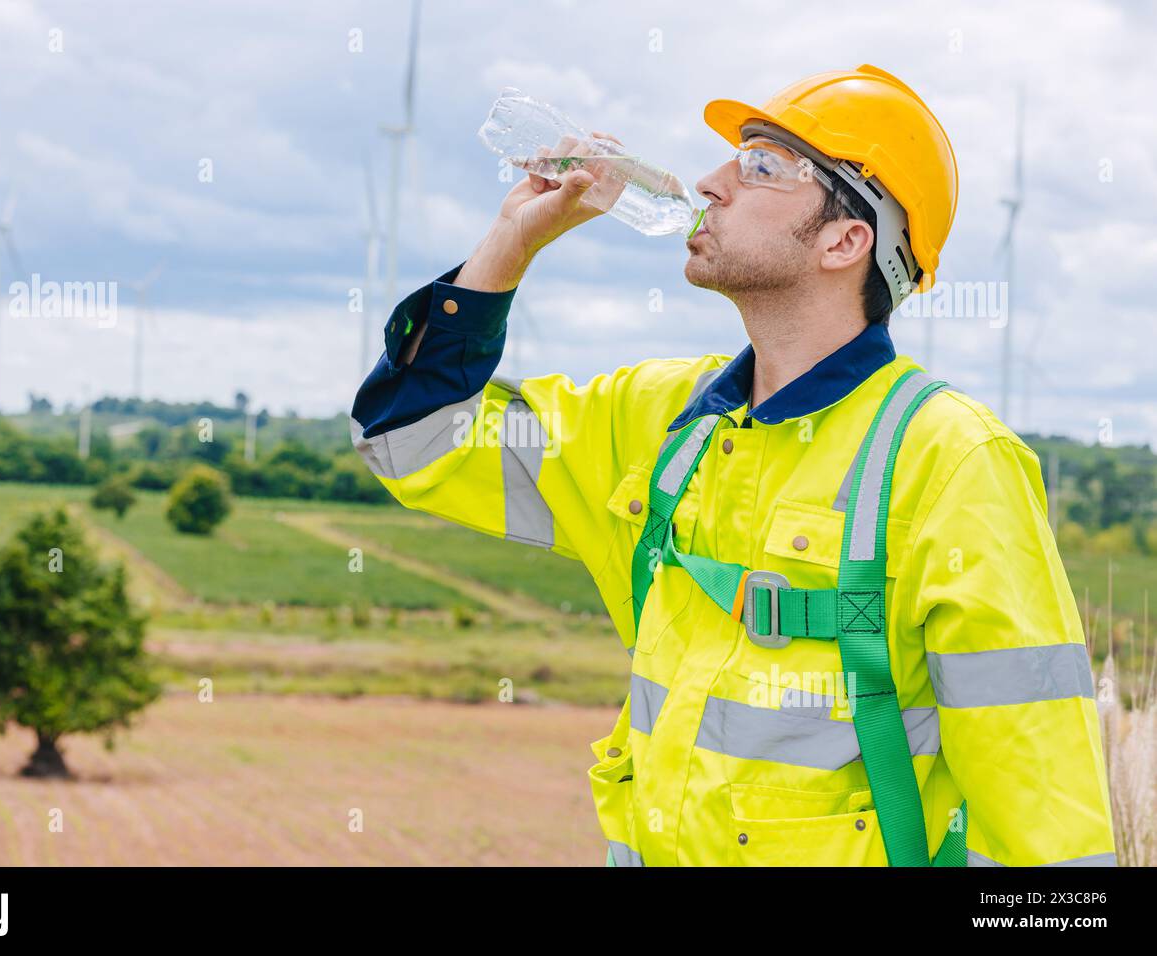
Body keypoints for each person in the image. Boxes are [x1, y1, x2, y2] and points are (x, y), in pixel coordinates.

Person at [350, 64, 1116, 867]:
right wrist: (512, 241)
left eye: (761, 166)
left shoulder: (952, 462)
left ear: (845, 240)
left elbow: (1045, 820)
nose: (711, 184)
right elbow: (413, 438)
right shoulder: (659, 422)